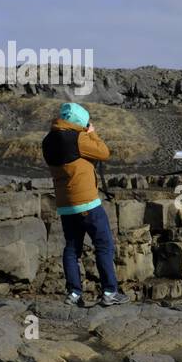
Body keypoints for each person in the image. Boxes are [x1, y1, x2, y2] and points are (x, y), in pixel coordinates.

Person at [41, 102, 130, 307]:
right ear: (80, 122)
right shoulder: (78, 138)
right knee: (104, 245)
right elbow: (103, 152)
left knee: (72, 248)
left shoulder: (47, 141)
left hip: (65, 205)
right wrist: (91, 133)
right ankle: (109, 292)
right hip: (87, 203)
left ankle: (73, 293)